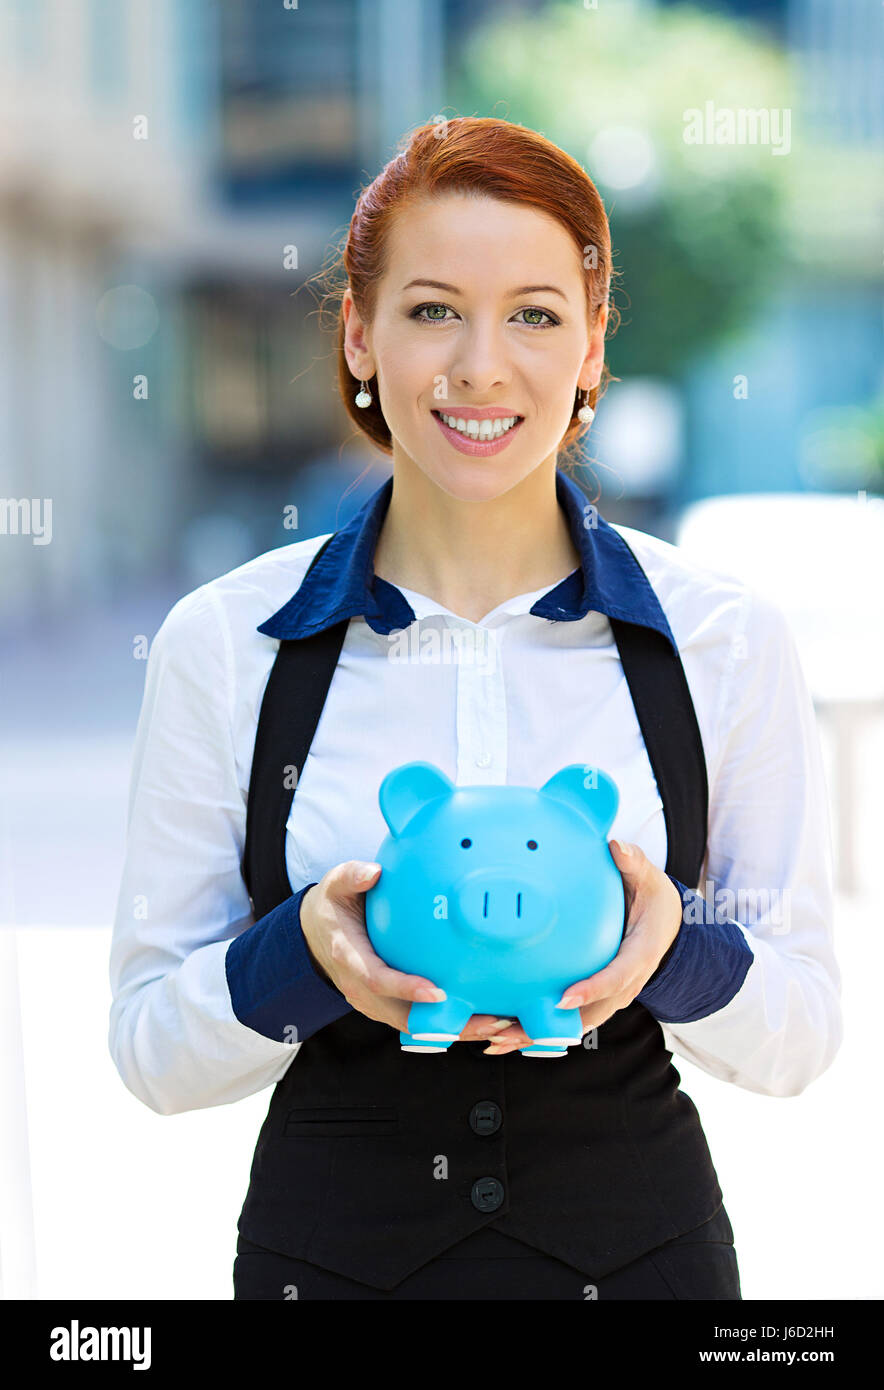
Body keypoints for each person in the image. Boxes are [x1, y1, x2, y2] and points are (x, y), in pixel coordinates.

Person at [108, 116, 842, 1301]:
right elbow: (150, 1049)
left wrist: (669, 948)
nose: (481, 366)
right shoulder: (225, 644)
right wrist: (302, 956)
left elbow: (800, 1028)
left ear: (595, 346)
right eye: (432, 308)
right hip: (328, 1262)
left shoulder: (719, 638)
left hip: (642, 1259)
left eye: (537, 315)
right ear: (359, 332)